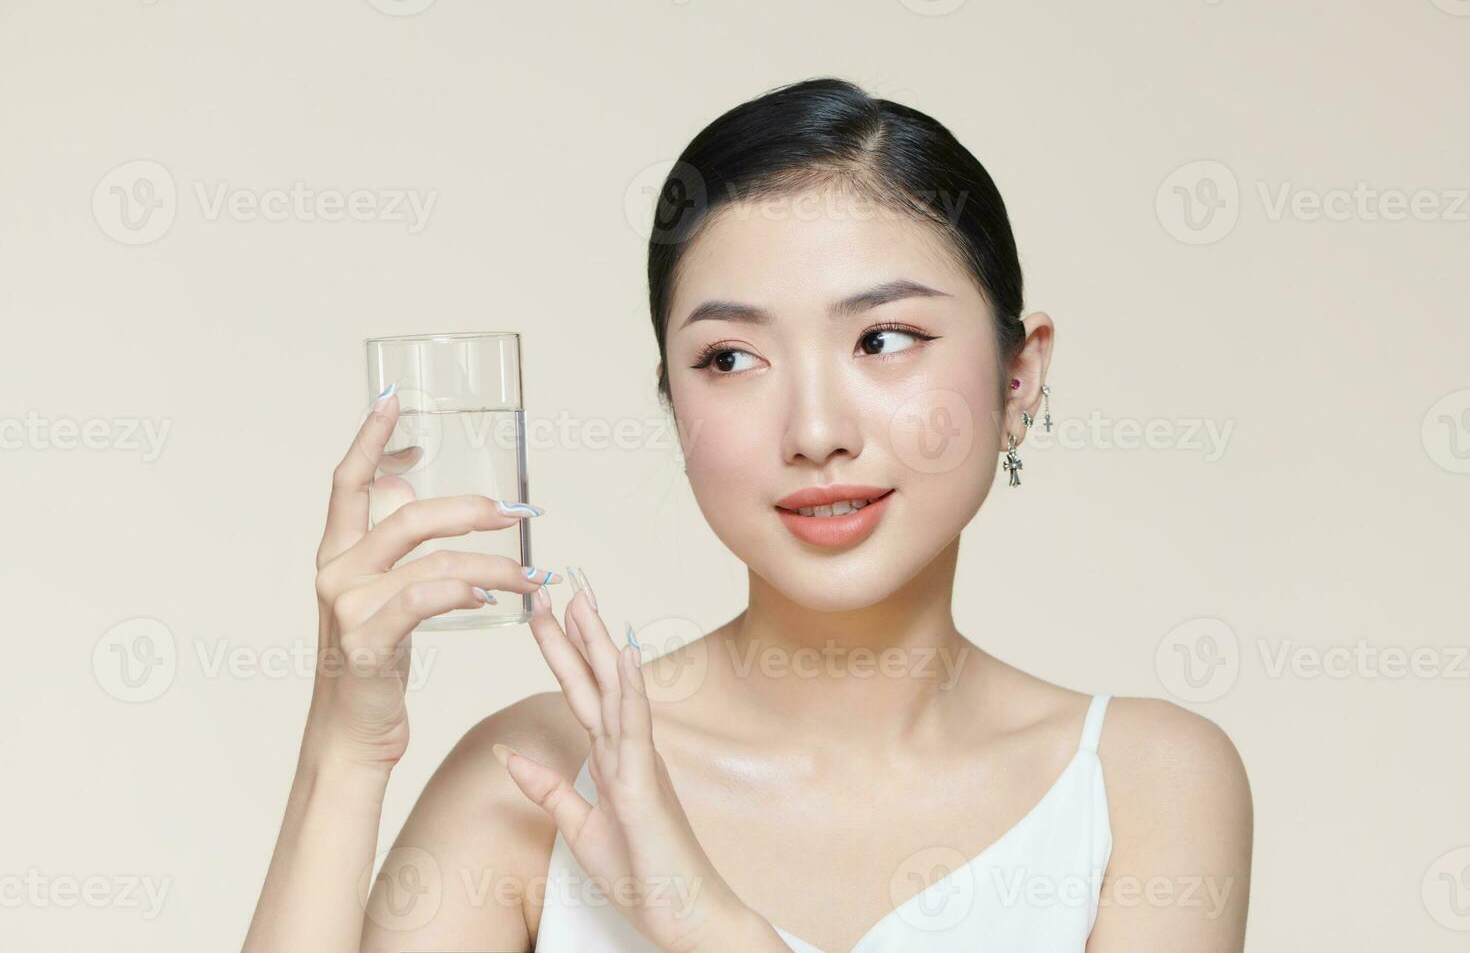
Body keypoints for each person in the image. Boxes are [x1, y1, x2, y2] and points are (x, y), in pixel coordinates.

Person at [245, 77, 1252, 953]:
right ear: (673, 397)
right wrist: (345, 744)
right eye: (730, 358)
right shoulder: (534, 773)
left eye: (884, 338)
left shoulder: (1143, 784)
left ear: (1018, 376)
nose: (814, 429)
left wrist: (702, 919)